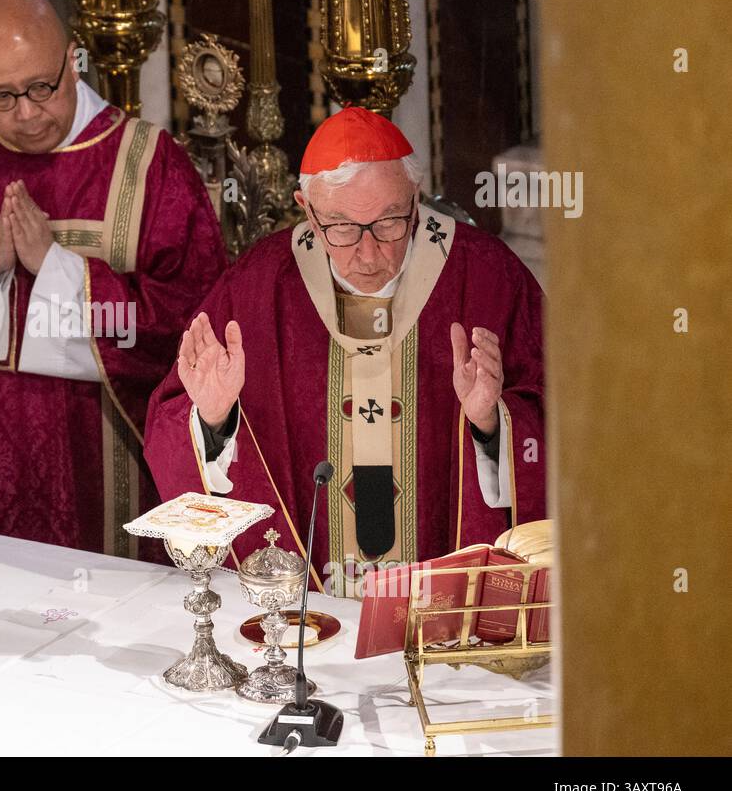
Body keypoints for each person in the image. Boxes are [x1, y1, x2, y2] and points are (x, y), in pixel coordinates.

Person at [0, 0, 226, 556]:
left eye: (41, 87)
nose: (26, 114)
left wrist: (54, 268)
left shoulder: (148, 166)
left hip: (106, 466)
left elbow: (192, 318)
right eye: (0, 97)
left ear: (72, 59)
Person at [144, 106, 545, 594]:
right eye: (342, 228)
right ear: (306, 208)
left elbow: (564, 426)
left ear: (415, 200)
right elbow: (171, 427)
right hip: (306, 614)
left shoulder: (487, 277)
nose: (369, 253)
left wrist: (491, 422)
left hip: (446, 608)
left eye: (390, 223)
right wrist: (213, 416)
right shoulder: (259, 285)